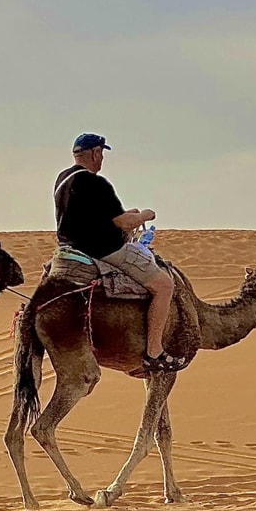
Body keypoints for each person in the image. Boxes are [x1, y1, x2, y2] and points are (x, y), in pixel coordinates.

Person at [53, 133, 185, 373]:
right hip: (103, 251)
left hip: (67, 248)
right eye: (101, 153)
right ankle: (154, 353)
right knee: (165, 285)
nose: (102, 158)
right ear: (95, 153)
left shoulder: (63, 179)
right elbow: (124, 223)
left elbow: (94, 216)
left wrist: (128, 214)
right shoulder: (97, 183)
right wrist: (145, 215)